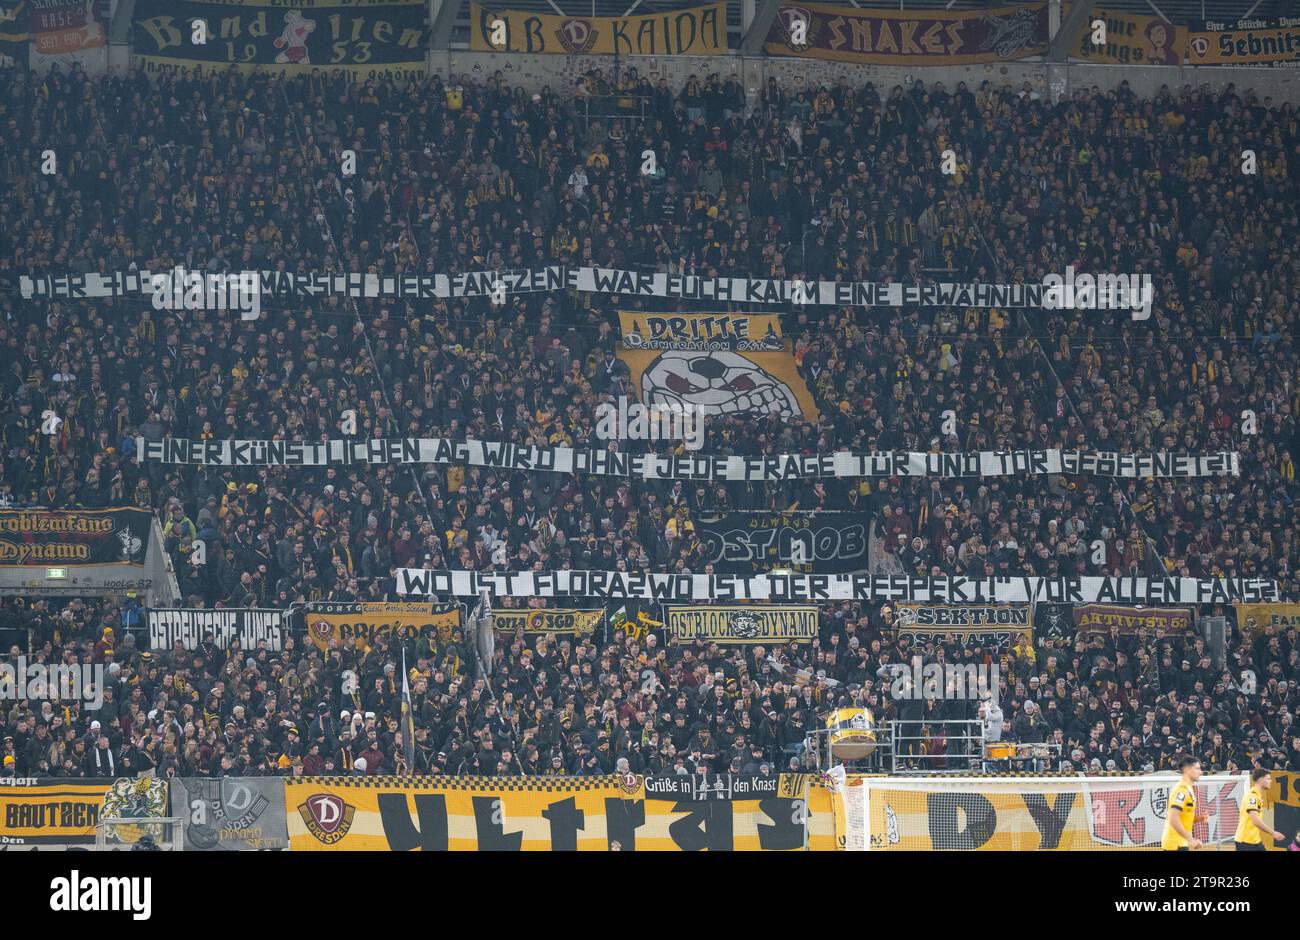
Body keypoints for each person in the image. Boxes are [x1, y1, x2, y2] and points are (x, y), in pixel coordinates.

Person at [1161, 756, 1211, 850]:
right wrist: (1191, 840)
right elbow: (1173, 817)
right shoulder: (1181, 790)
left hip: (1181, 842)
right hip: (1175, 844)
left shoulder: (1188, 788)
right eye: (1197, 768)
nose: (1200, 772)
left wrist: (1199, 818)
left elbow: (1181, 817)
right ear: (1187, 770)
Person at [1233, 767, 1285, 851]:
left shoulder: (1257, 796)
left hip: (1254, 840)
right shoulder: (1252, 796)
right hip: (1245, 841)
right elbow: (1255, 820)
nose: (1271, 781)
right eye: (1268, 779)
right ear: (1261, 780)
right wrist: (1273, 833)